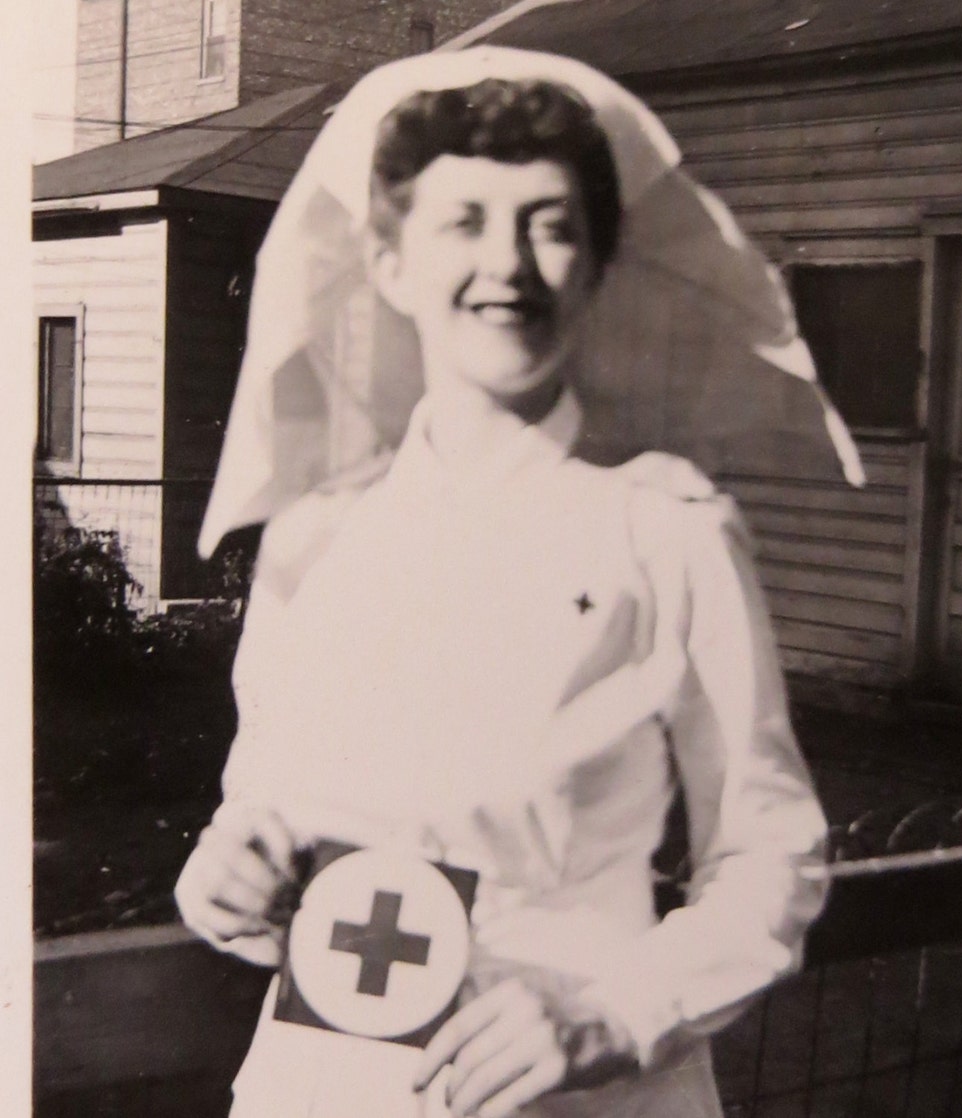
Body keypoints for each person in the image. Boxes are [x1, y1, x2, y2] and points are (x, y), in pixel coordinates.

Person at [176, 47, 852, 1118]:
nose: (510, 265)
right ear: (389, 264)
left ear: (593, 263)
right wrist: (229, 876)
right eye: (464, 222)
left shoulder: (664, 529)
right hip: (330, 1084)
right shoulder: (317, 535)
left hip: (584, 1087)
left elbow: (771, 855)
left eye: (548, 223)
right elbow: (264, 805)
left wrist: (616, 1013)